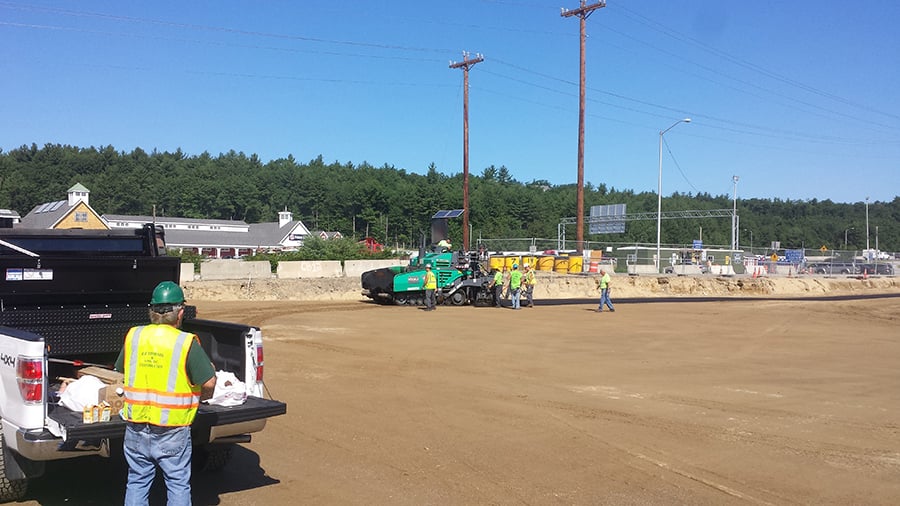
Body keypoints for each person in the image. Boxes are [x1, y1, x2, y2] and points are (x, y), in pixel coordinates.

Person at [115, 281, 217, 506]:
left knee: (137, 481)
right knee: (177, 482)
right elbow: (208, 382)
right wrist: (202, 395)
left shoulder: (134, 336)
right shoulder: (185, 342)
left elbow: (122, 369)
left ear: (151, 311)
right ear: (180, 312)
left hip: (136, 425)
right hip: (172, 430)